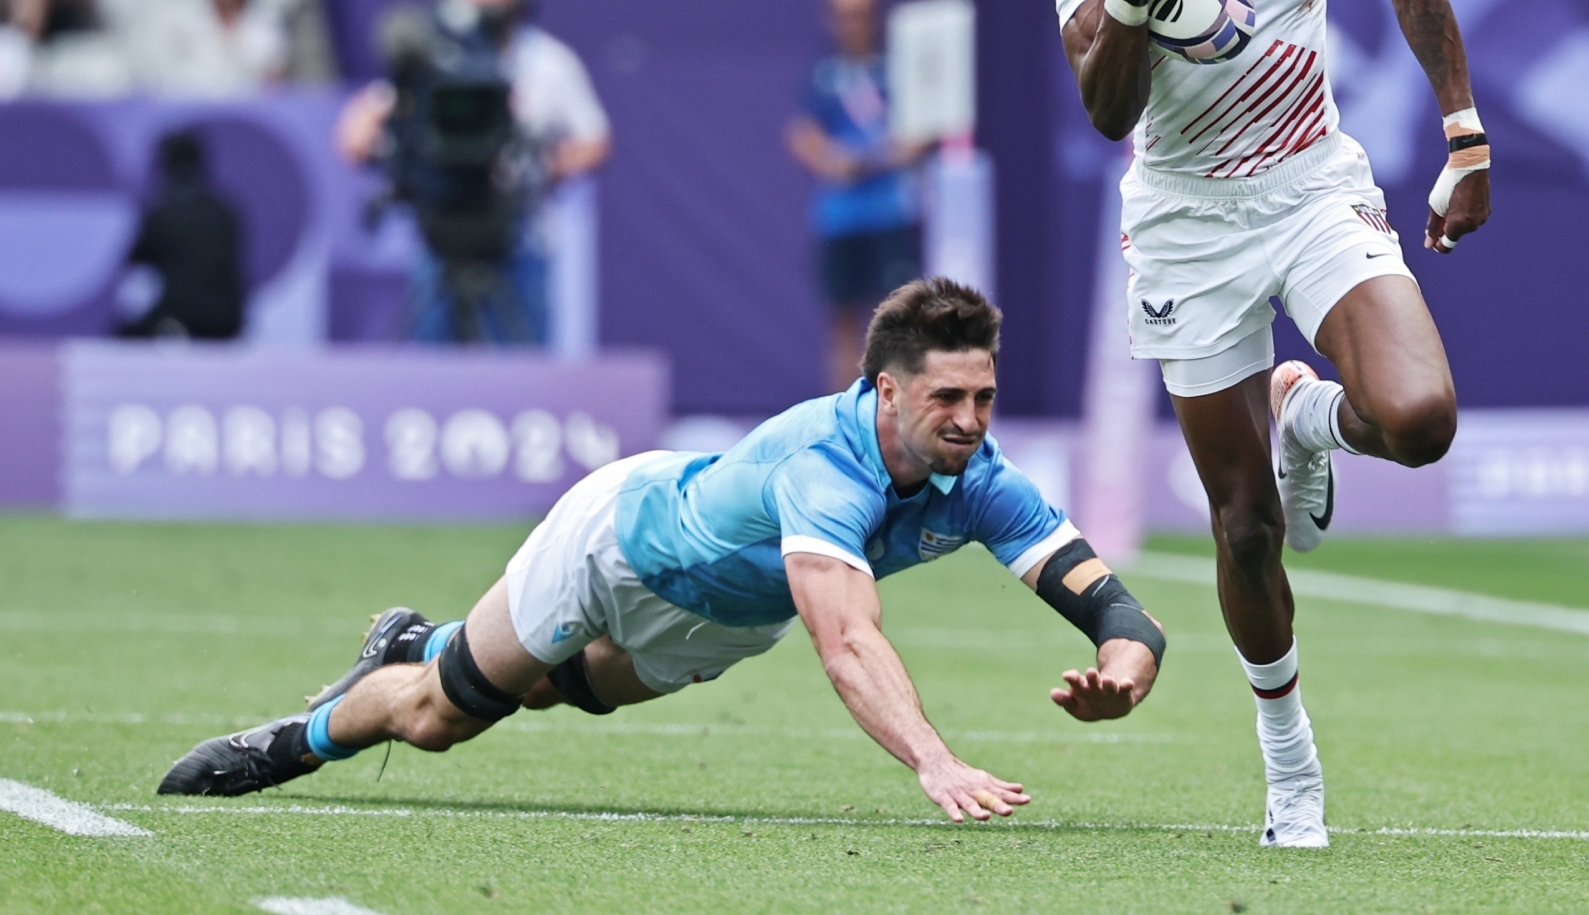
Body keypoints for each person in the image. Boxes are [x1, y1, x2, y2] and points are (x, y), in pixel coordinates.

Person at [157, 279, 1167, 822]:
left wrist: (1124, 671)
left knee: (555, 691)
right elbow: (848, 642)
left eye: (984, 396)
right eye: (947, 397)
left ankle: (425, 641)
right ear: (887, 391)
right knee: (438, 719)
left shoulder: (983, 478)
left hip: (719, 624)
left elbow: (1110, 604)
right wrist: (935, 761)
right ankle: (289, 741)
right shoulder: (827, 463)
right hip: (619, 546)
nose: (970, 419)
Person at [1038, 0, 1491, 849]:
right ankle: (1291, 770)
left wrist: (1464, 134)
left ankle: (1312, 417)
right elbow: (1105, 107)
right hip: (1187, 219)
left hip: (1312, 188)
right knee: (1243, 524)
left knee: (1423, 417)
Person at [336, 0, 611, 344]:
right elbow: (354, 137)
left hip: (518, 235)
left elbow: (595, 140)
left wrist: (541, 167)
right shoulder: (433, 60)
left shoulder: (550, 62)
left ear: (518, 0)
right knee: (431, 378)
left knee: (523, 380)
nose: (483, 14)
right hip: (444, 234)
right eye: (473, 0)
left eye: (494, 3)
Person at [786, 0, 927, 389]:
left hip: (891, 215)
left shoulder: (900, 68)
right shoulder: (823, 73)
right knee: (842, 323)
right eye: (844, 14)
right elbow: (801, 134)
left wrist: (875, 160)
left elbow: (920, 136)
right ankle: (844, 419)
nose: (853, 24)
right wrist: (832, 161)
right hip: (840, 217)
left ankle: (898, 421)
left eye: (862, 13)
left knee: (898, 320)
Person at [116, 128, 245, 340]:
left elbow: (133, 263)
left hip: (177, 319)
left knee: (124, 335)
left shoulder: (162, 213)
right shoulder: (225, 211)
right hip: (227, 319)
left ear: (166, 166)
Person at [143, 0, 287, 96]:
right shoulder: (188, 23)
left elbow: (273, 72)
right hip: (197, 103)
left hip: (246, 108)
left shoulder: (264, 24)